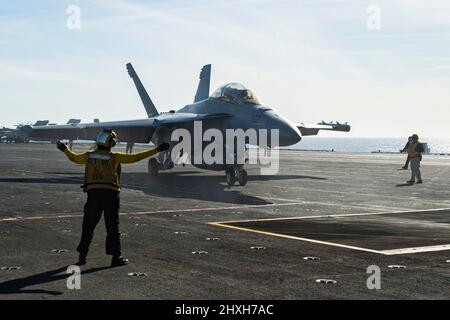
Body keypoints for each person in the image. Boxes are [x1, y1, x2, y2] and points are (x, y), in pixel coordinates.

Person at [56, 129, 169, 266]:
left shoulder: (89, 156)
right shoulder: (115, 157)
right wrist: (157, 149)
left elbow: (74, 157)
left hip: (93, 194)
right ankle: (116, 257)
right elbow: (136, 157)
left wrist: (64, 148)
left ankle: (82, 256)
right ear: (112, 143)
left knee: (88, 227)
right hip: (110, 195)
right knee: (112, 228)